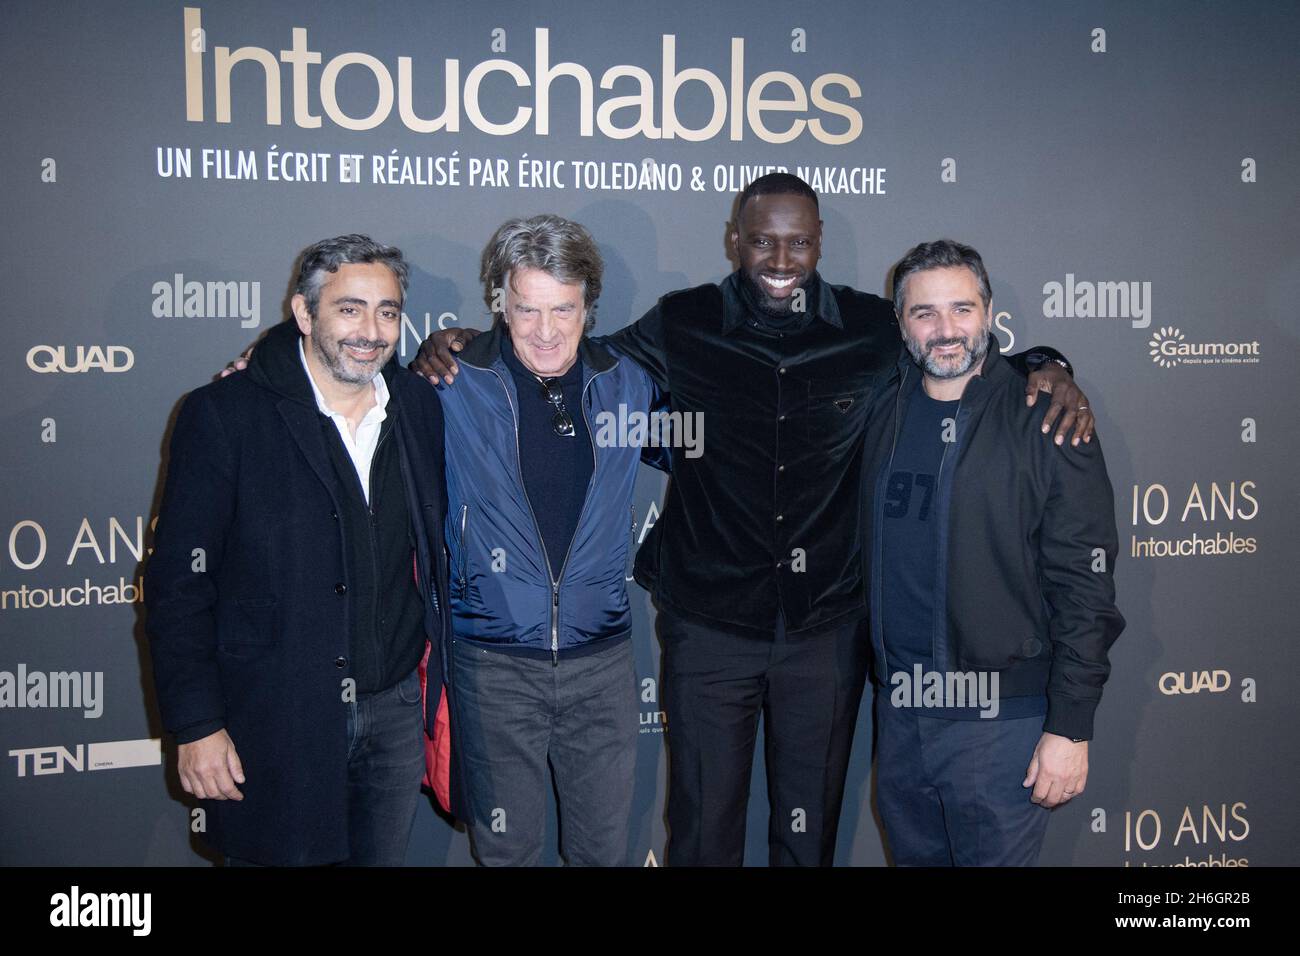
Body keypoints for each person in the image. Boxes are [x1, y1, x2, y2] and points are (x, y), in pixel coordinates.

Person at [415, 173, 1096, 866]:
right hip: (709, 626)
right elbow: (567, 357)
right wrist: (462, 344)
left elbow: (957, 355)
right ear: (734, 239)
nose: (780, 259)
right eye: (762, 240)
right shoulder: (682, 321)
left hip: (825, 629)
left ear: (819, 241)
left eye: (798, 241)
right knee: (704, 832)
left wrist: (1046, 364)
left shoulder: (871, 330)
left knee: (807, 839)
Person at [146, 235, 449, 866]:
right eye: (349, 309)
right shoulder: (225, 415)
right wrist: (198, 724)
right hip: (275, 715)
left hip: (393, 712)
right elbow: (180, 585)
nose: (370, 330)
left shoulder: (419, 407)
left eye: (387, 311)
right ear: (304, 314)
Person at [864, 239, 1124, 865]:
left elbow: (1084, 591)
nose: (946, 330)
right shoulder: (877, 407)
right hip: (901, 718)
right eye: (924, 313)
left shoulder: (1050, 420)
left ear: (989, 313)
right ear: (900, 323)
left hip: (1002, 723)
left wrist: (1070, 726)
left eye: (963, 309)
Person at [439, 214, 664, 865]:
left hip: (603, 662)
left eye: (562, 309)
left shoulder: (629, 383)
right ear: (499, 304)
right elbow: (337, 378)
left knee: (602, 853)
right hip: (493, 662)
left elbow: (723, 439)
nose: (544, 330)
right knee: (506, 853)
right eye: (526, 309)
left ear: (588, 304)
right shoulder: (451, 384)